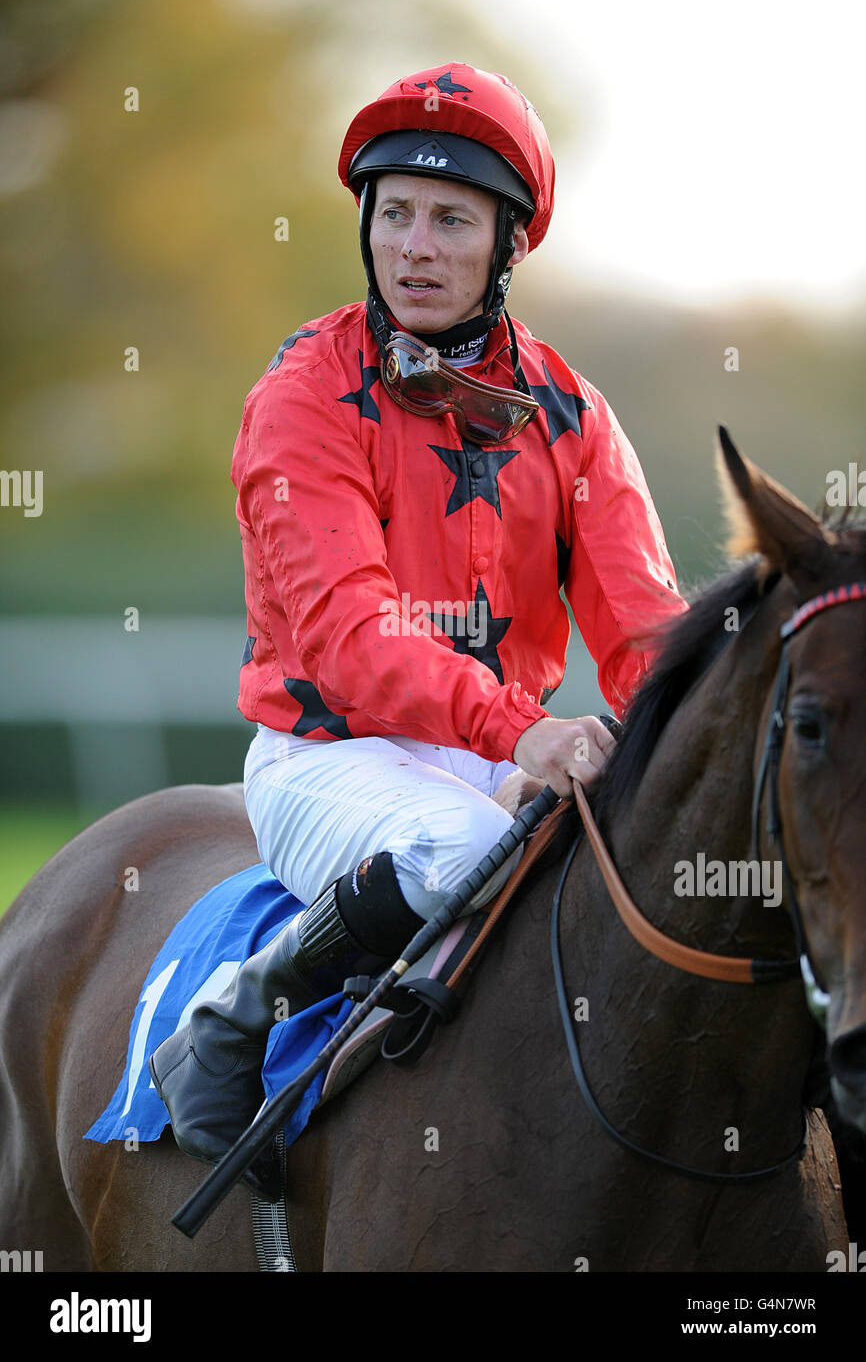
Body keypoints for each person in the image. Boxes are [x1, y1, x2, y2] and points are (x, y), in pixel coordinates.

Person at [149, 62, 687, 1192]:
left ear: (506, 245)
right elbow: (352, 634)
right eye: (394, 214)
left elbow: (642, 631)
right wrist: (520, 732)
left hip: (496, 757)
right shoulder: (301, 391)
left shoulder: (573, 414)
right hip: (326, 760)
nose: (415, 246)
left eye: (450, 220)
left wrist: (692, 739)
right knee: (463, 853)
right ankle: (233, 1015)